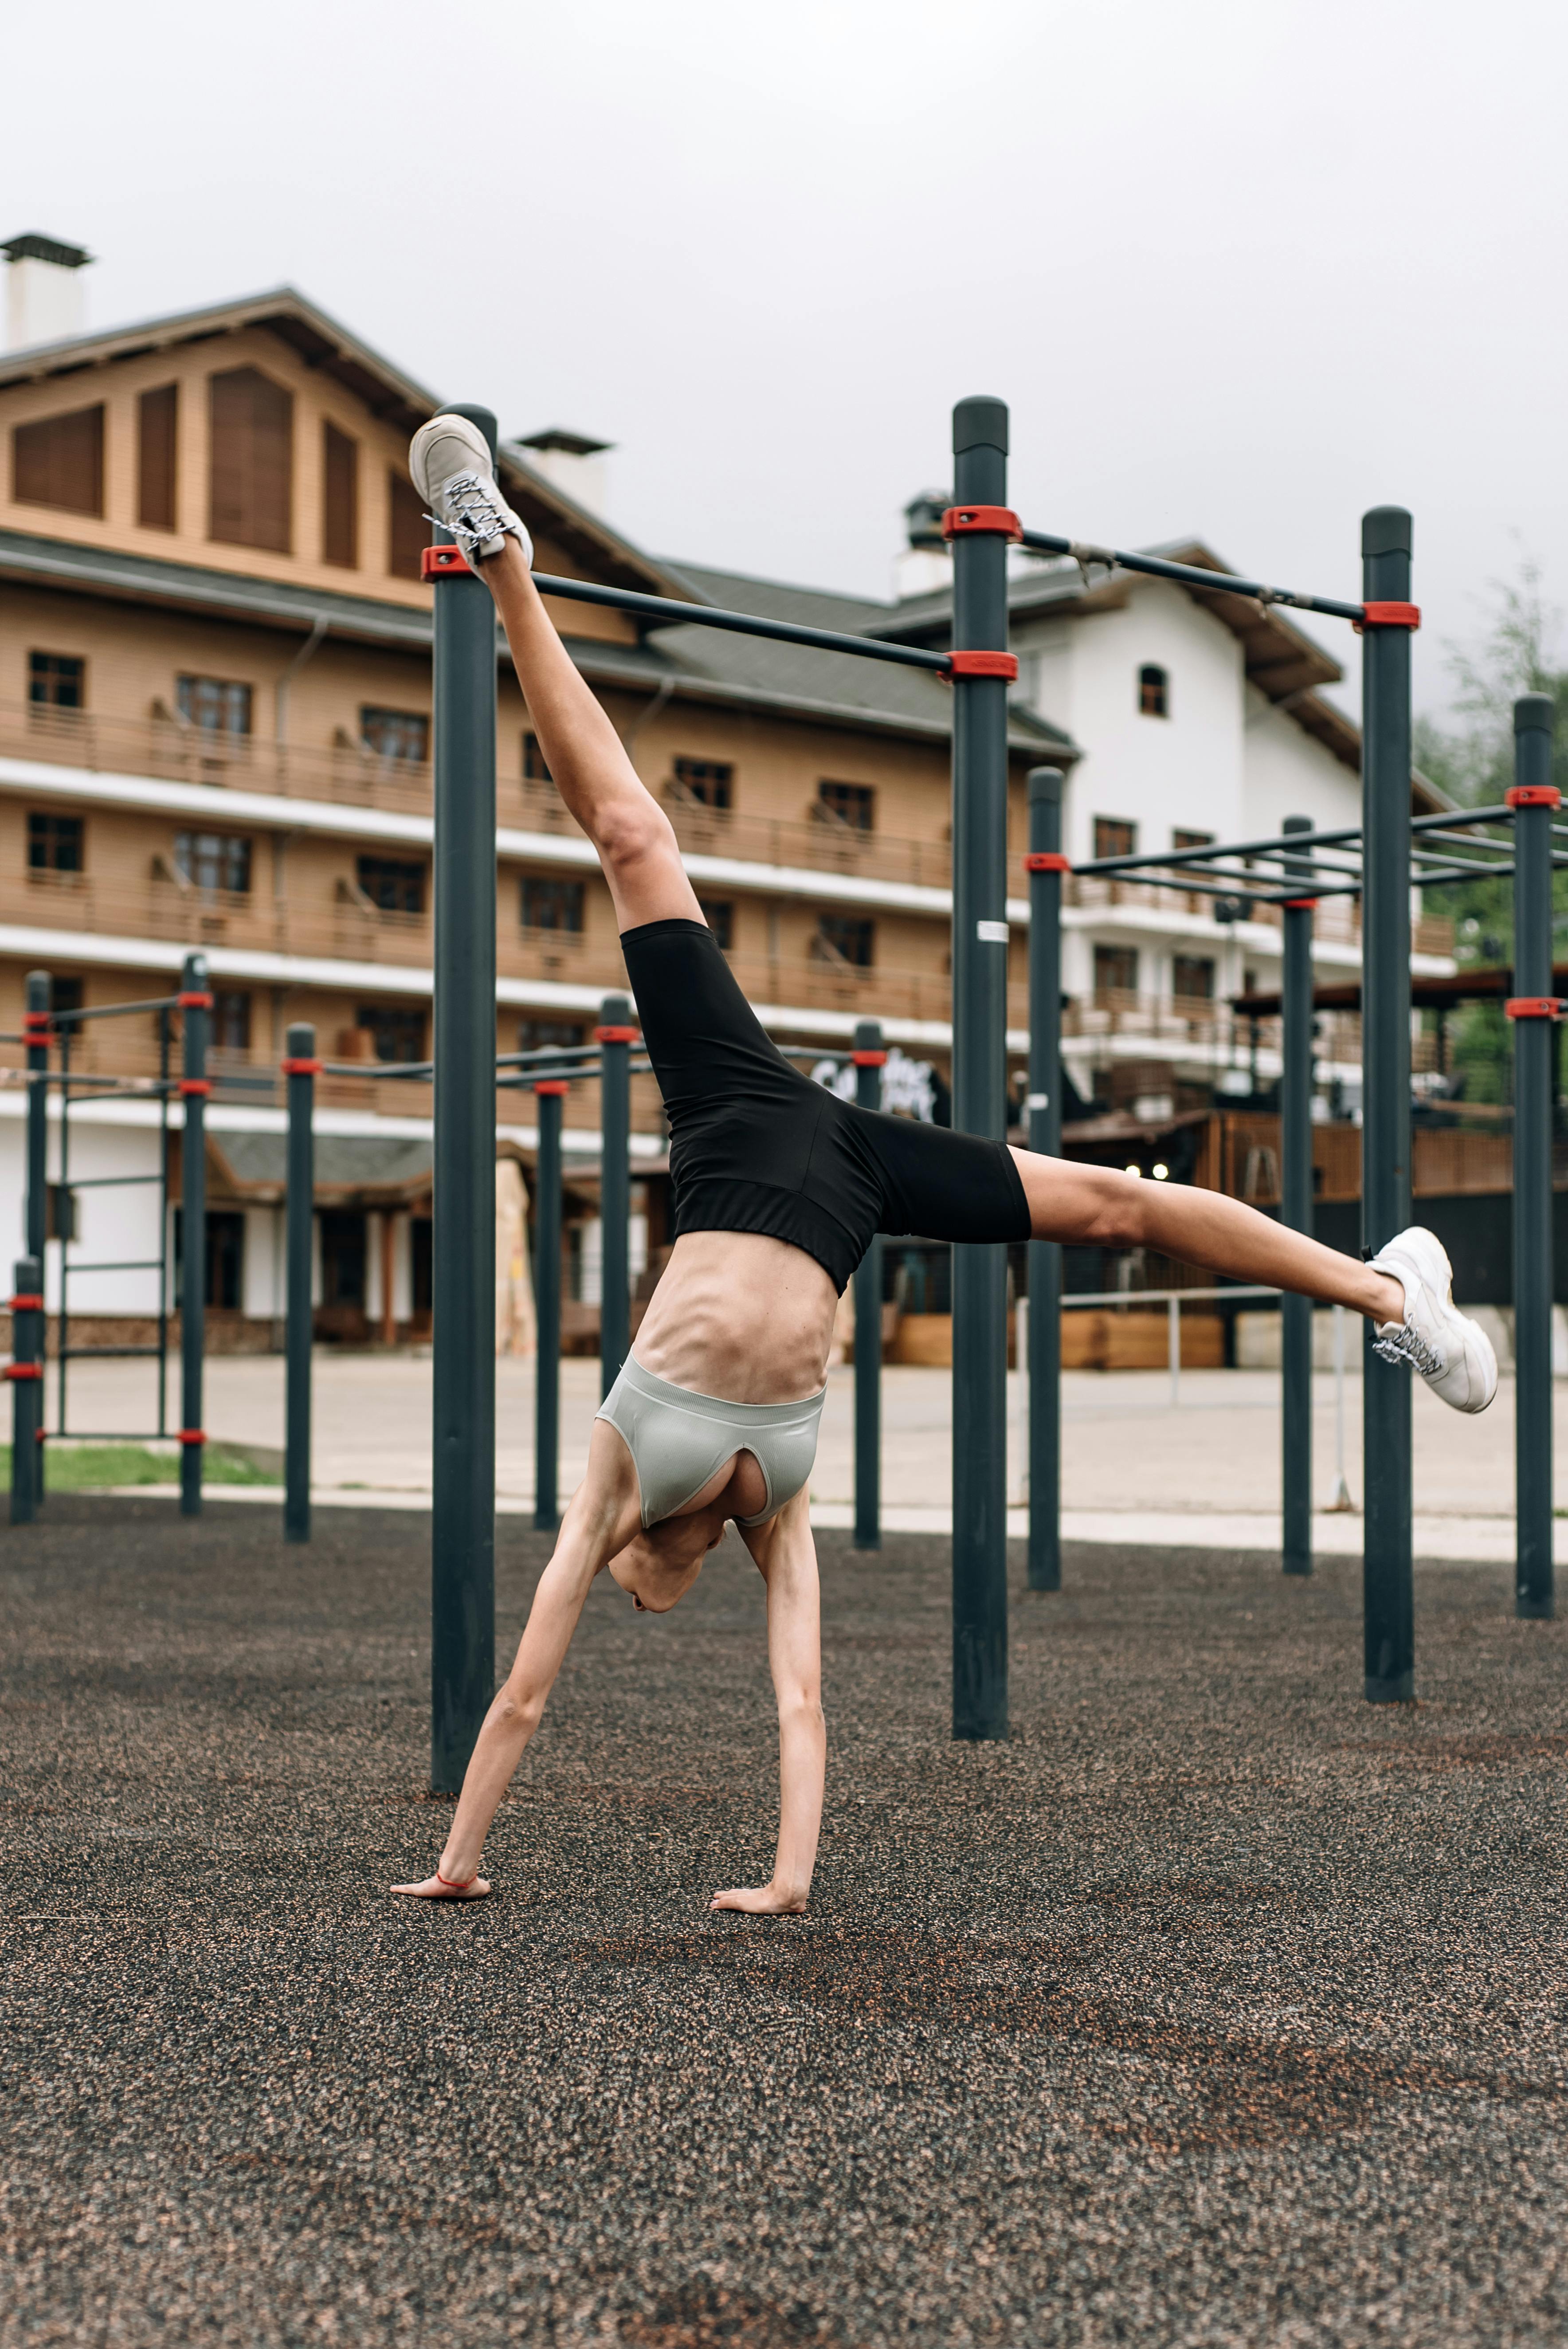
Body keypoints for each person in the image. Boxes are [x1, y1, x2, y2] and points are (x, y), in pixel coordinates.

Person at [392, 416, 1497, 1914]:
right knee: (1121, 1207)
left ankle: (498, 547)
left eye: (628, 1599)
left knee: (636, 839)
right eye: (657, 1596)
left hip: (727, 1135)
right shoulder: (773, 1509)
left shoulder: (606, 1479)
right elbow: (801, 1705)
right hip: (850, 1178)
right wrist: (786, 1884)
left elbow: (521, 1695)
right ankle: (1391, 1290)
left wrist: (458, 1862)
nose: (647, 1605)